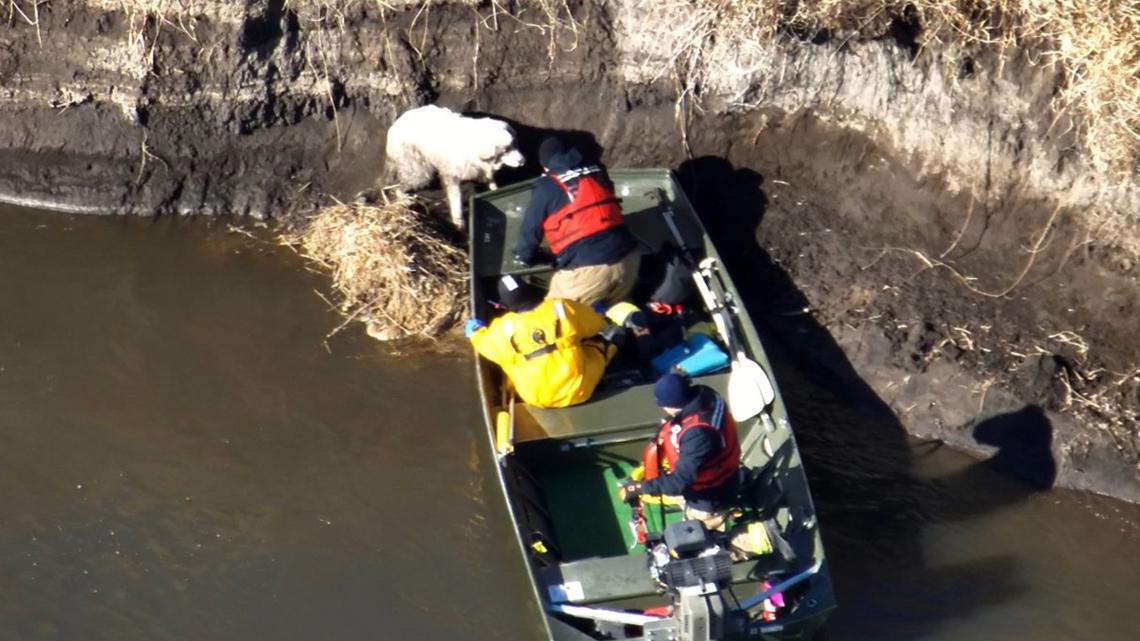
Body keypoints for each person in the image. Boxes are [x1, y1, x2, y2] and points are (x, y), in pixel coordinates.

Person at [513, 136, 641, 307]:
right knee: (612, 311)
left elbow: (529, 236)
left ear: (545, 165)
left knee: (554, 322)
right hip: (629, 262)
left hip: (590, 271)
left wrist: (526, 258)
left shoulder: (546, 186)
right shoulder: (598, 170)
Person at [466, 275, 621, 408]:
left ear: (506, 304)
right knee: (604, 342)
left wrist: (475, 333)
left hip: (536, 398)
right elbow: (595, 325)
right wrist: (599, 317)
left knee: (510, 363)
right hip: (579, 390)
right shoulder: (560, 307)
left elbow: (485, 345)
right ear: (530, 291)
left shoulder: (502, 328)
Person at [620, 373, 741, 530]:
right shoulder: (706, 395)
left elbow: (679, 482)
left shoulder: (698, 435)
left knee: (695, 535)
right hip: (720, 473)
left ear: (672, 405)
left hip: (710, 498)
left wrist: (640, 488)